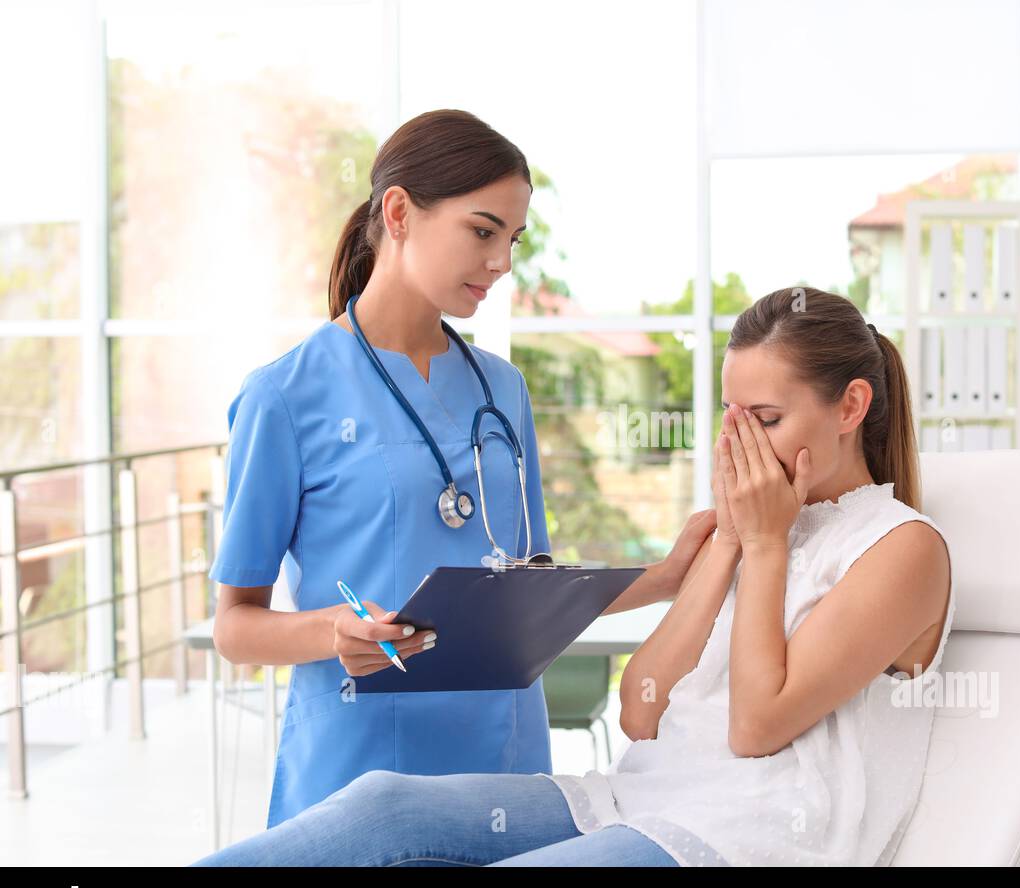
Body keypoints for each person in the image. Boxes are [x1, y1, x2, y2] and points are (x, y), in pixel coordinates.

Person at [193, 286, 954, 867]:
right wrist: (725, 547)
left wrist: (762, 547)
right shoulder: (759, 529)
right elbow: (641, 709)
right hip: (640, 794)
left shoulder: (900, 548)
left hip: (751, 833)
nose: (740, 443)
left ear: (852, 405)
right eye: (731, 418)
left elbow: (757, 729)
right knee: (383, 809)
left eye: (767, 419)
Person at [206, 109, 713, 830]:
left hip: (500, 762)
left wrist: (662, 578)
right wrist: (332, 632)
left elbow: (526, 588)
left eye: (512, 239)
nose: (502, 261)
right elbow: (236, 626)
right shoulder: (285, 398)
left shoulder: (502, 389)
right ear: (399, 212)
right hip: (359, 766)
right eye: (482, 231)